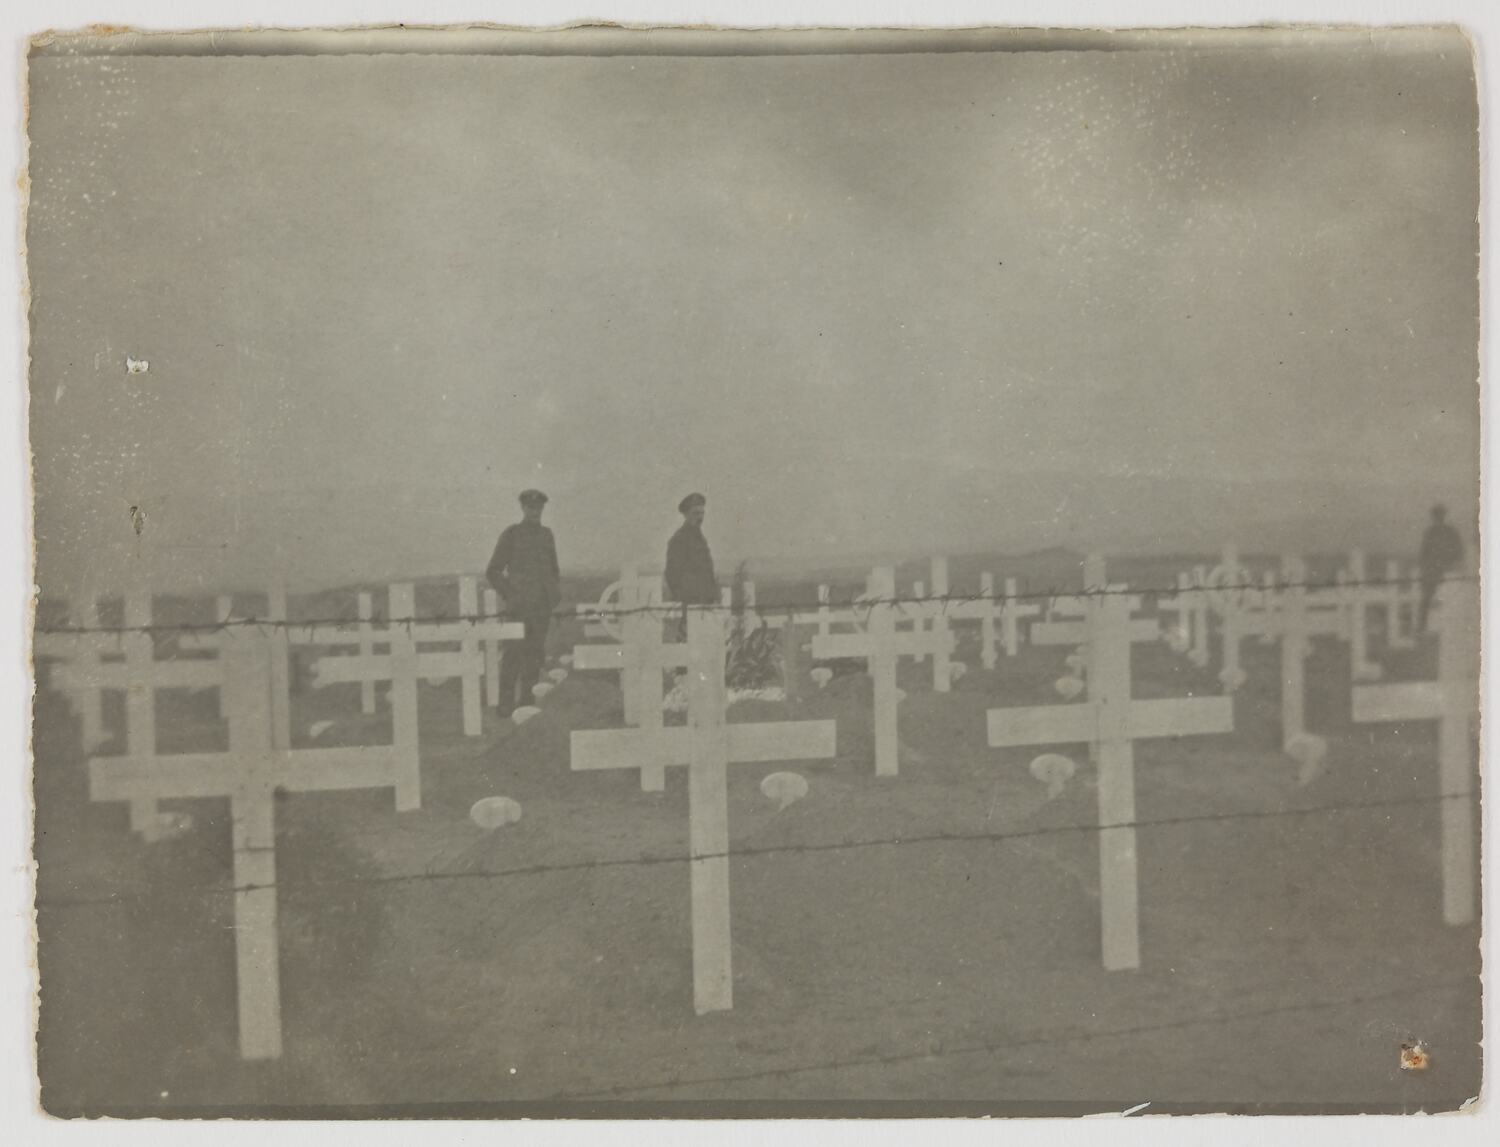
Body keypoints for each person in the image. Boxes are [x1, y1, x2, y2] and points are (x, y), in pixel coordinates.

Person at [486, 489, 561, 714]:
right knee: (513, 655)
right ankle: (506, 705)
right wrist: (511, 595)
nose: (535, 512)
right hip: (518, 608)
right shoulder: (512, 534)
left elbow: (553, 569)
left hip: (541, 608)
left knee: (535, 655)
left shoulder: (547, 535)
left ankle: (527, 703)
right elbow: (493, 571)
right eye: (530, 508)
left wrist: (552, 595)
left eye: (538, 508)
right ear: (523, 508)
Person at [1416, 503, 1465, 633]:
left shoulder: (1452, 532)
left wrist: (1451, 565)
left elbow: (1459, 551)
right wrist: (1425, 568)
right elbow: (1423, 553)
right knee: (1426, 599)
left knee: (1451, 599)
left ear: (1444, 516)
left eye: (1440, 515)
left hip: (1448, 571)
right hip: (1432, 572)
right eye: (1435, 515)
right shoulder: (1429, 532)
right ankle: (1422, 627)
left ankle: (1454, 628)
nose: (1438, 518)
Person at [664, 492, 718, 606]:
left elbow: (708, 571)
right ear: (686, 515)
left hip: (706, 602)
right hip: (689, 603)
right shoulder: (679, 539)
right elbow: (671, 574)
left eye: (702, 513)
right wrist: (682, 598)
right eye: (695, 513)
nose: (700, 517)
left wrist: (712, 595)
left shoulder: (700, 539)